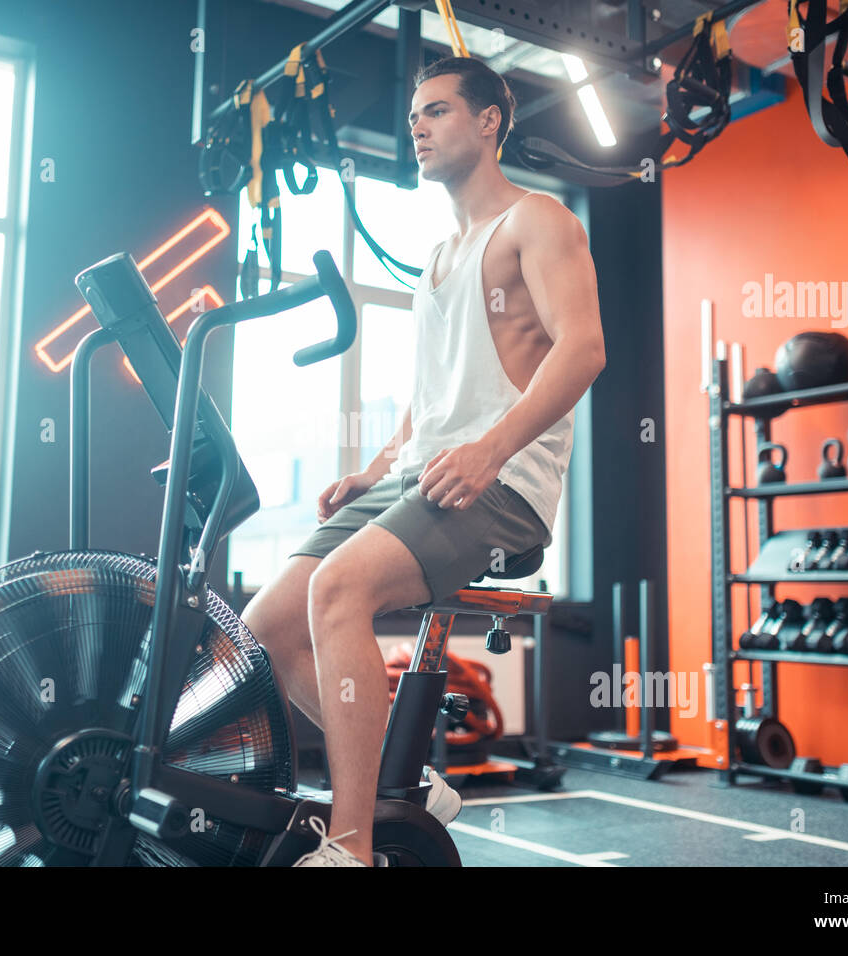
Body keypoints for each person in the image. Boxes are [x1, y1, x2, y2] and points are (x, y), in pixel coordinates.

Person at [240, 55, 607, 866]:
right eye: (415, 117)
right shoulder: (442, 256)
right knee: (267, 622)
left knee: (338, 592)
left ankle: (353, 845)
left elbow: (582, 351)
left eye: (437, 111)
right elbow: (433, 399)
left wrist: (490, 450)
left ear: (489, 122)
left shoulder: (536, 221)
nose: (418, 127)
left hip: (503, 486)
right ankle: (403, 775)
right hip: (426, 475)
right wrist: (376, 467)